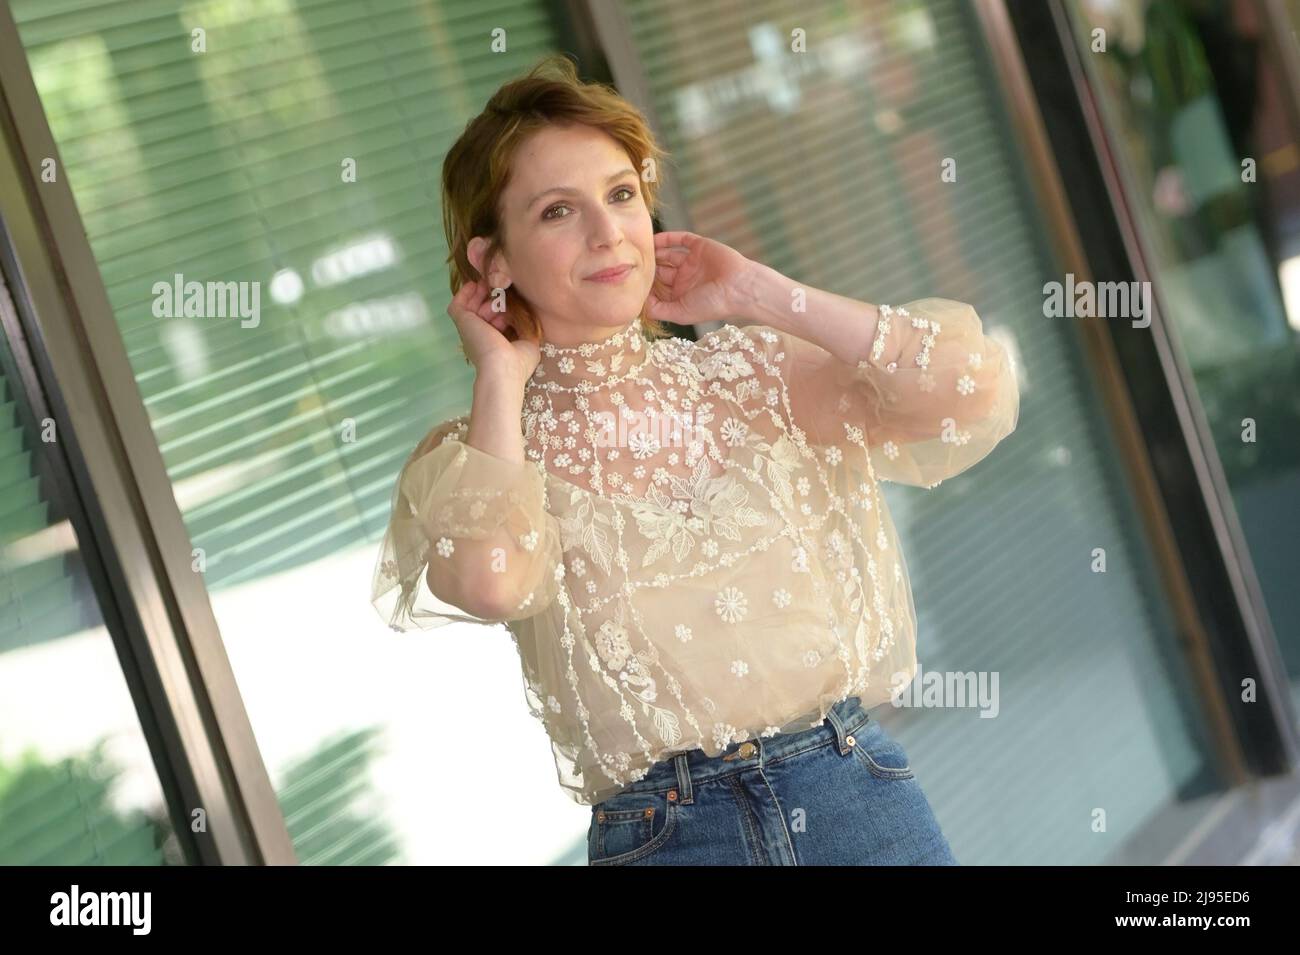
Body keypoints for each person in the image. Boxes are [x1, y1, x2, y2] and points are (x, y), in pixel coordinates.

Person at [370, 54, 1020, 865]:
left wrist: (760, 292)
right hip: (668, 838)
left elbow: (969, 388)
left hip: (855, 798)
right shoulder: (481, 452)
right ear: (492, 261)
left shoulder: (752, 374)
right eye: (558, 211)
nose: (607, 232)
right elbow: (491, 582)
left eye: (621, 194)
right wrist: (499, 377)